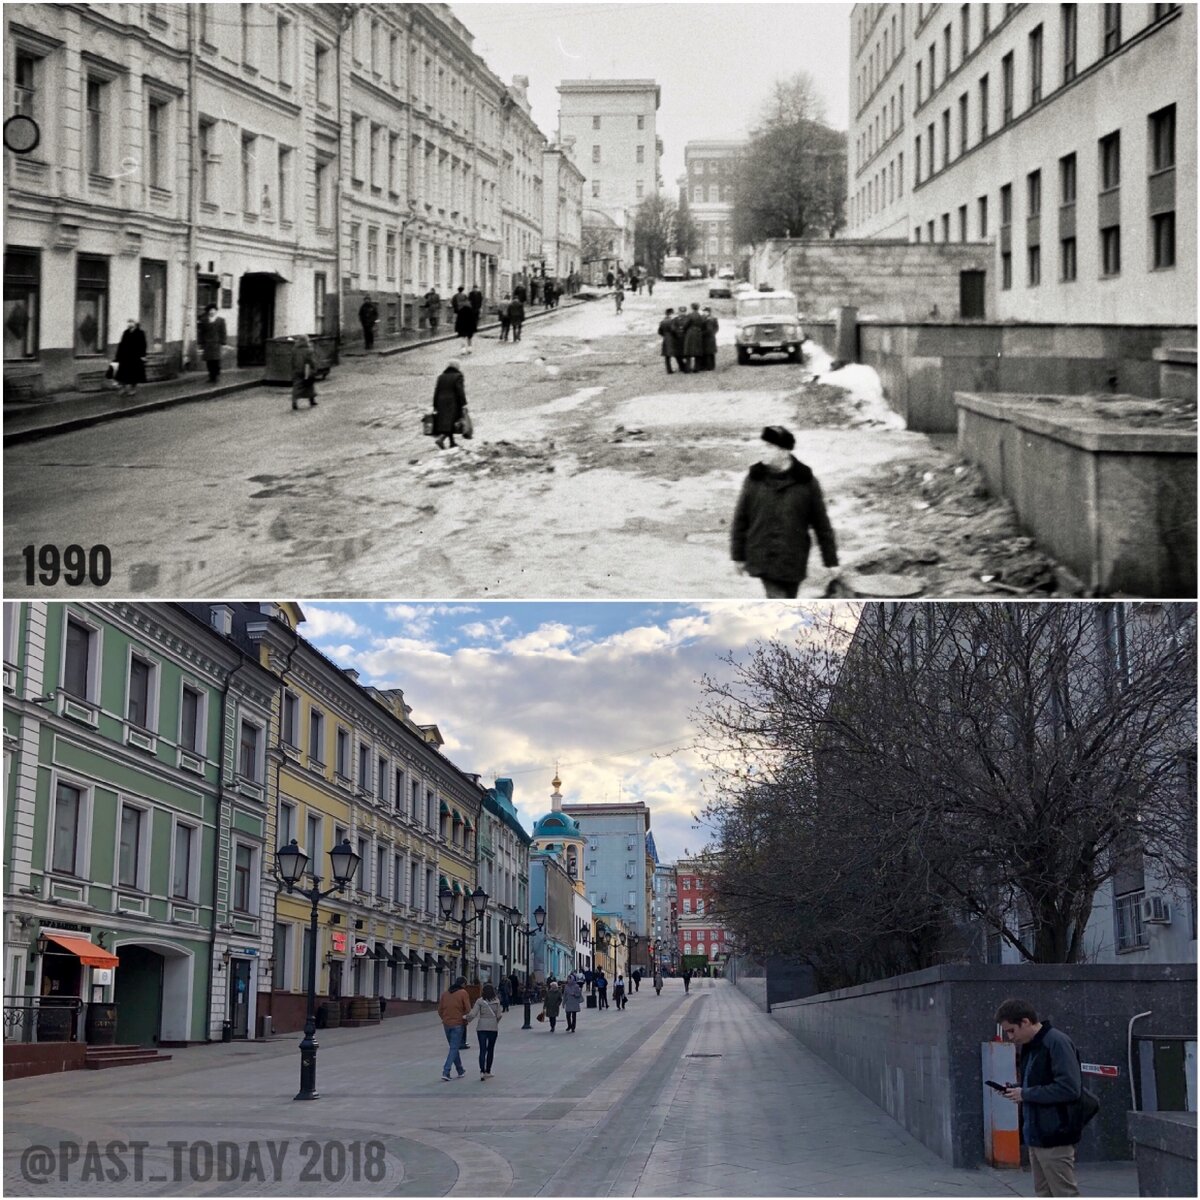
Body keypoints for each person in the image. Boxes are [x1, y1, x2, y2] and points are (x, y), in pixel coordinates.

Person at [731, 425, 839, 600]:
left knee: (789, 600)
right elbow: (740, 519)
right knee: (778, 600)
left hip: (793, 559)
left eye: (769, 447)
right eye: (763, 446)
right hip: (763, 555)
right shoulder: (754, 479)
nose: (762, 451)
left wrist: (831, 561)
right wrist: (738, 556)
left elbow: (822, 524)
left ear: (784, 452)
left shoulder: (807, 482)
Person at [995, 999, 1085, 1197]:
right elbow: (1041, 1083)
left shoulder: (1056, 1042)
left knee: (1063, 1193)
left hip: (1055, 1134)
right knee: (1044, 1193)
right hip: (1038, 1134)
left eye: (1011, 1030)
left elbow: (1069, 1088)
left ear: (1025, 1022)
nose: (1010, 1037)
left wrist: (1025, 1093)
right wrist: (1016, 1090)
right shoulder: (1033, 1045)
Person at [437, 976, 473, 1081]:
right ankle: (446, 1071)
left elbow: (440, 1010)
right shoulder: (463, 993)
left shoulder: (445, 994)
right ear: (463, 984)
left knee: (454, 1047)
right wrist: (466, 1020)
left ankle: (460, 1070)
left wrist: (445, 1018)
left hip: (446, 1024)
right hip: (458, 1023)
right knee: (453, 1048)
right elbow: (468, 1009)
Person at [468, 983, 503, 1080]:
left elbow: (473, 1014)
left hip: (481, 1027)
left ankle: (481, 1071)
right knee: (490, 1049)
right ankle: (488, 1071)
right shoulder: (497, 1001)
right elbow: (499, 1015)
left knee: (482, 1049)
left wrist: (466, 1019)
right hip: (493, 1028)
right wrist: (495, 1022)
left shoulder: (480, 1001)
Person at [432, 360, 467, 451]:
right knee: (452, 422)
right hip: (453, 403)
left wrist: (435, 404)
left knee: (447, 422)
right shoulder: (458, 376)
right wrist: (463, 403)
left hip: (441, 403)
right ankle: (441, 439)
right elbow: (460, 391)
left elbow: (436, 391)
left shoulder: (441, 377)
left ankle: (452, 442)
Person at [114, 318, 147, 397]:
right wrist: (118, 356)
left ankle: (133, 389)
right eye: (128, 322)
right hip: (125, 356)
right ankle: (123, 388)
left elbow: (143, 345)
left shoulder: (140, 333)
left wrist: (143, 355)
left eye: (131, 322)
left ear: (135, 324)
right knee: (122, 373)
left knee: (134, 374)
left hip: (135, 357)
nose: (129, 324)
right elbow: (121, 344)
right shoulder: (125, 333)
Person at [197, 304, 227, 383]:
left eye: (214, 310)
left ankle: (216, 374)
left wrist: (223, 342)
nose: (212, 312)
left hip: (216, 343)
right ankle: (211, 375)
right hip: (207, 343)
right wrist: (200, 342)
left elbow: (223, 332)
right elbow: (201, 332)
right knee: (209, 360)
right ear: (208, 311)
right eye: (210, 310)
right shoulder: (204, 320)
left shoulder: (221, 320)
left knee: (216, 360)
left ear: (216, 311)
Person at [290, 335, 318, 410]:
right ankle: (312, 400)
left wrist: (293, 369)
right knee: (309, 385)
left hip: (297, 370)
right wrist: (314, 369)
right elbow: (311, 361)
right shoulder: (309, 350)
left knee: (296, 386)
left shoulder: (294, 349)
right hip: (306, 369)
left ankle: (294, 402)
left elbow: (292, 360)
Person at [682, 303, 706, 372]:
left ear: (692, 308)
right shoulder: (700, 315)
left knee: (688, 351)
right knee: (697, 351)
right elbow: (703, 324)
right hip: (698, 333)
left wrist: (684, 329)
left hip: (690, 333)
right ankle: (696, 368)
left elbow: (685, 324)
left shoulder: (690, 315)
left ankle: (688, 368)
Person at [658, 308, 681, 375]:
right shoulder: (672, 321)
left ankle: (669, 369)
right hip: (672, 339)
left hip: (666, 339)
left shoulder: (662, 321)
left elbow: (659, 331)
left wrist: (665, 335)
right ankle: (681, 366)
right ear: (671, 313)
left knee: (667, 356)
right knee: (677, 353)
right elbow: (673, 330)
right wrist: (677, 335)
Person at [671, 308, 691, 373]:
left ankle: (686, 368)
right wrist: (679, 331)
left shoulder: (688, 319)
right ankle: (682, 367)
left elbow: (690, 328)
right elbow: (673, 328)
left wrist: (679, 330)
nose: (682, 313)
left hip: (685, 339)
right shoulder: (675, 319)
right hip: (679, 339)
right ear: (679, 312)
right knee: (679, 354)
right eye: (681, 312)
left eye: (683, 312)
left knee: (686, 354)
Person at [702, 306, 719, 371]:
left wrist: (702, 333)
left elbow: (710, 329)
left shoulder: (708, 319)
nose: (704, 313)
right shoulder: (714, 318)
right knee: (711, 352)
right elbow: (717, 328)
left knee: (708, 352)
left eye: (705, 311)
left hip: (707, 337)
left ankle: (709, 366)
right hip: (711, 337)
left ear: (708, 312)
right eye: (704, 311)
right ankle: (712, 366)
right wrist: (714, 333)